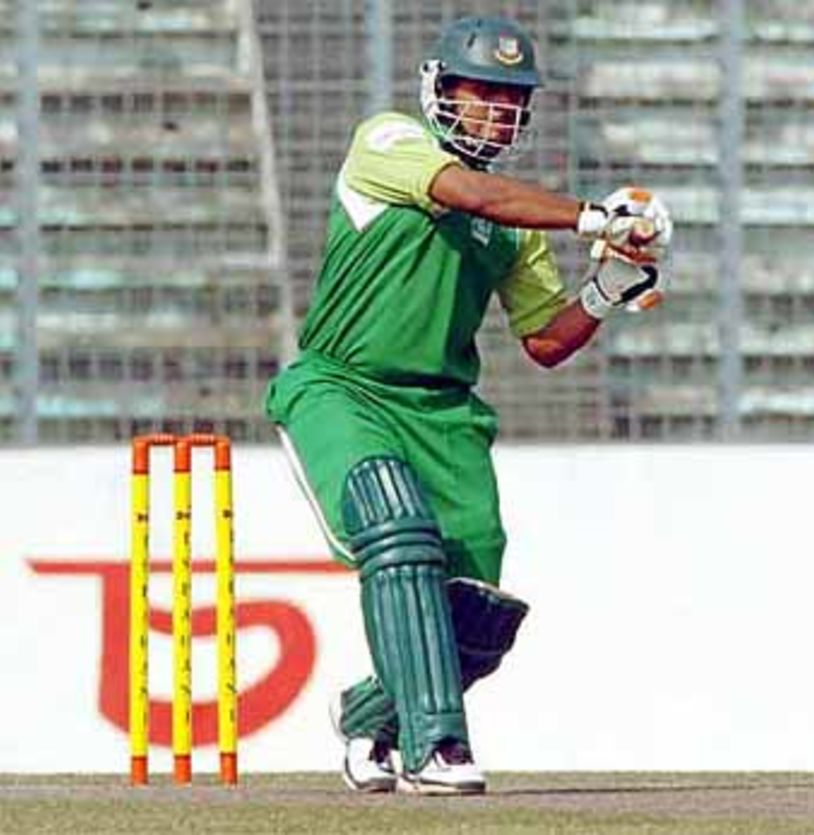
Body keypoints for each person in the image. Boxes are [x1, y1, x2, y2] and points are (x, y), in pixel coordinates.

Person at [264, 15, 672, 795]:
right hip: (342, 386)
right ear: (440, 90)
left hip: (445, 415)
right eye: (478, 92)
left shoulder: (515, 232)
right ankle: (437, 749)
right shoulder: (387, 143)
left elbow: (546, 342)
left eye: (509, 98)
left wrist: (607, 290)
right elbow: (468, 192)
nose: (492, 110)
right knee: (395, 525)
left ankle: (370, 717)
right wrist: (597, 215)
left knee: (477, 621)